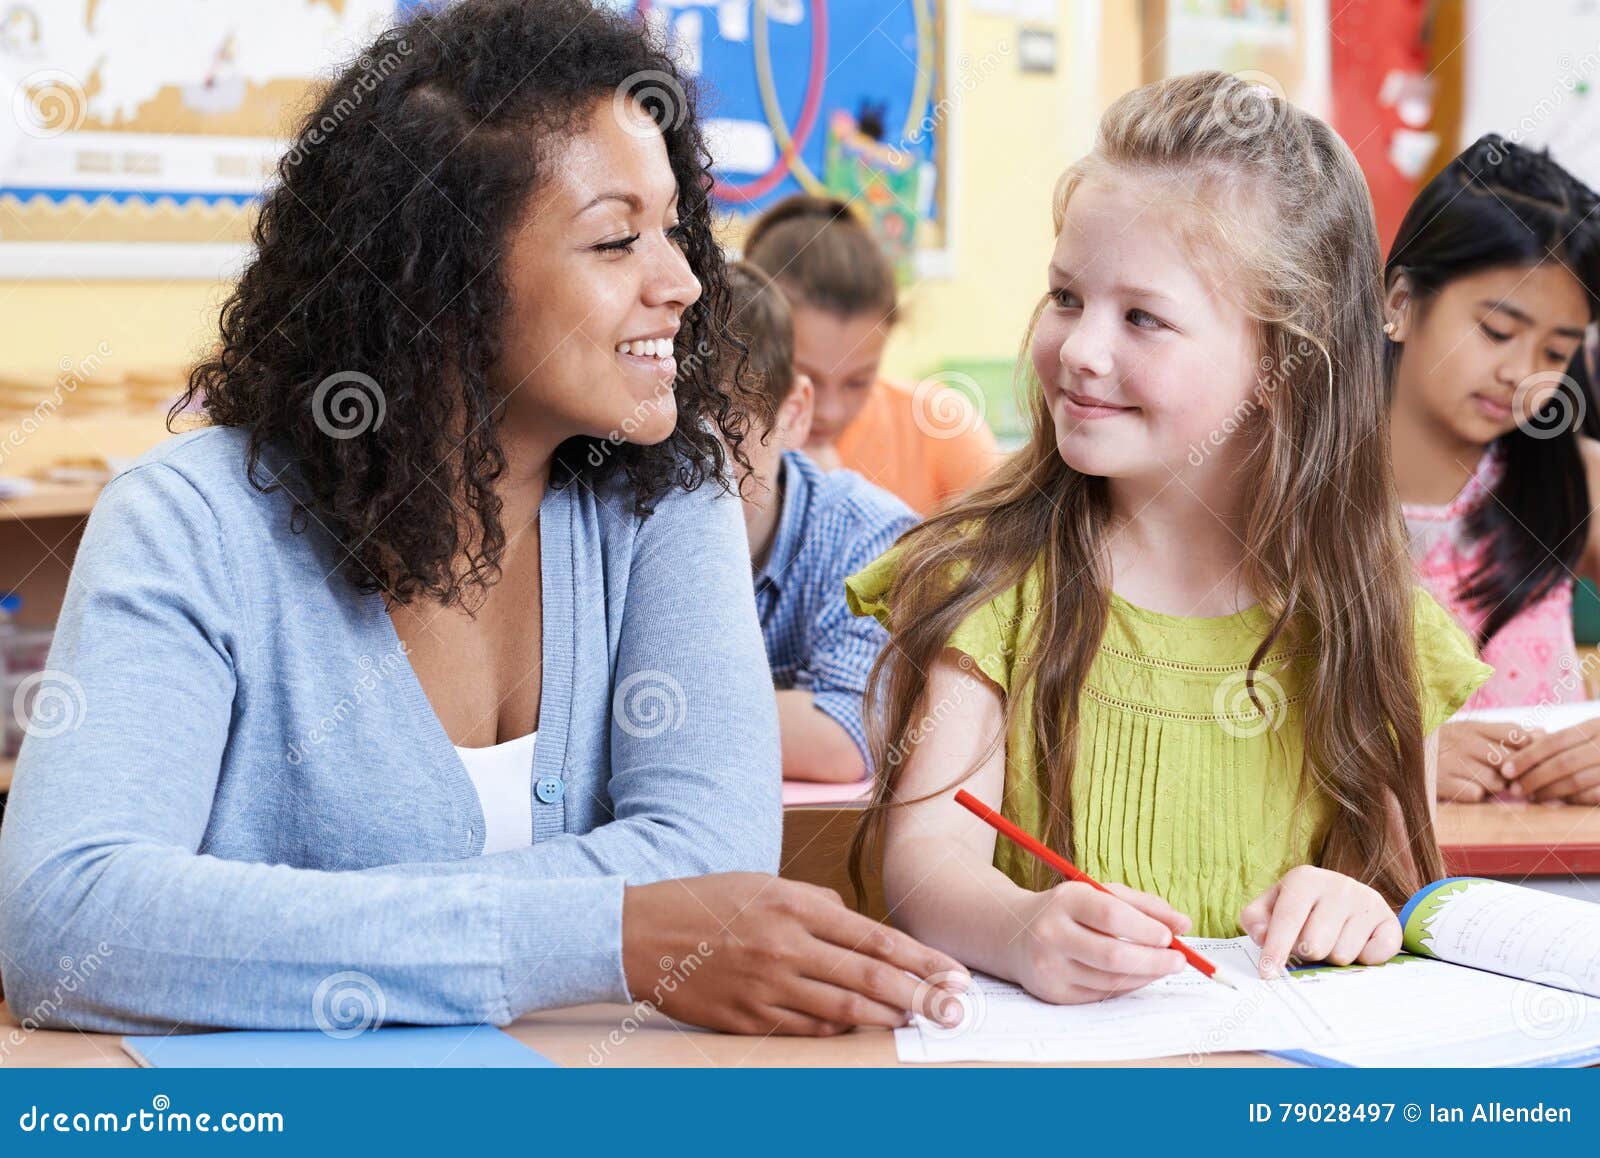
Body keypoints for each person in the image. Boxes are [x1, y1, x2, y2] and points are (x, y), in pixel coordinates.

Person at [0, 0, 965, 1037]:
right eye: (615, 242)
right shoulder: (188, 523)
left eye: (677, 229)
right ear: (443, 285)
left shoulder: (668, 497)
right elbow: (72, 917)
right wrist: (611, 933)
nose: (684, 282)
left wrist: (264, 928)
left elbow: (712, 863)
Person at [844, 72, 1490, 1005]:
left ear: (1280, 362)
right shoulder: (992, 580)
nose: (1080, 350)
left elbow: (1402, 895)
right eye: (1066, 296)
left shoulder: (1378, 626)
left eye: (1142, 316)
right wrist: (1022, 927)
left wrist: (1358, 908)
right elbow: (925, 863)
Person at [1384, 135, 1600, 805]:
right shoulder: (1297, 486)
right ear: (1399, 303)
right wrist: (1392, 763)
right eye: (1498, 331)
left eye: (1556, 350)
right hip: (1369, 891)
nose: (1522, 373)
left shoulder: (1576, 480)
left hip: (1556, 892)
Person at [725, 261, 917, 783]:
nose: (689, 475)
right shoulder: (609, 520)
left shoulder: (868, 534)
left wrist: (636, 716)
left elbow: (844, 734)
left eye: (725, 439)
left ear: (791, 414)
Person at [743, 195, 1000, 515]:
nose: (829, 412)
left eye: (858, 382)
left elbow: (1011, 558)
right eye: (803, 379)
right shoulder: (725, 452)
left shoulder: (941, 430)